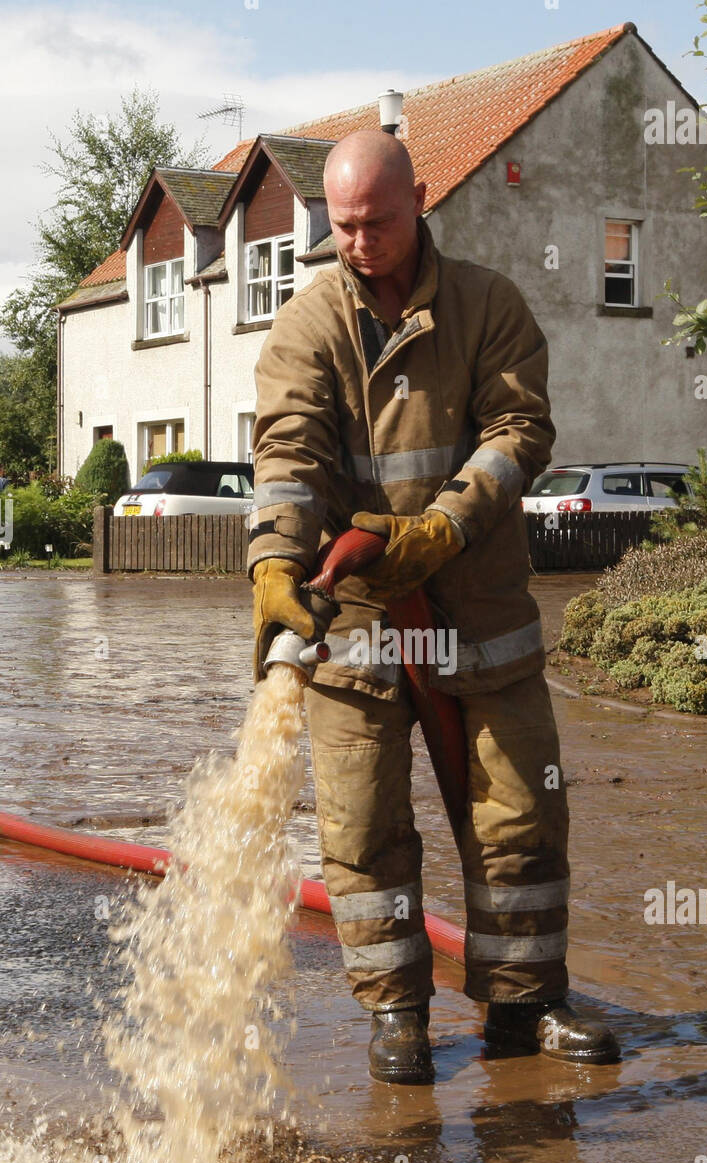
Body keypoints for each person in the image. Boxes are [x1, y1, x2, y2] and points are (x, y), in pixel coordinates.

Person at [249, 130, 620, 1084]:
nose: (360, 242)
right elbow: (287, 457)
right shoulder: (306, 326)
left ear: (419, 198)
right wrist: (274, 566)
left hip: (479, 612)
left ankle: (524, 1009)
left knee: (518, 819)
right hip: (357, 626)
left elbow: (517, 433)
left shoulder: (488, 303)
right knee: (364, 834)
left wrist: (442, 529)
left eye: (376, 220)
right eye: (342, 226)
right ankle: (398, 1020)